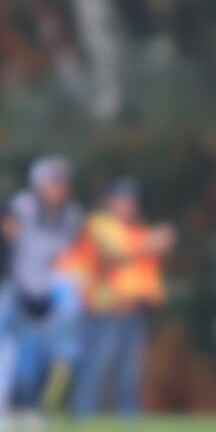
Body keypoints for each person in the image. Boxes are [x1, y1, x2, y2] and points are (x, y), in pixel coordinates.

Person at [58, 178, 173, 417]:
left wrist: (152, 243)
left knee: (129, 371)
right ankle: (83, 415)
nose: (127, 206)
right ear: (109, 202)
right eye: (121, 201)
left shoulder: (138, 230)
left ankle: (128, 418)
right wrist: (151, 242)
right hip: (103, 306)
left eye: (130, 202)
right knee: (96, 365)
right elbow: (114, 253)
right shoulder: (99, 224)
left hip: (134, 309)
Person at [0, 155, 83, 429]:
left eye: (60, 184)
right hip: (21, 291)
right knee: (22, 357)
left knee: (54, 354)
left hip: (51, 294)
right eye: (50, 183)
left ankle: (38, 407)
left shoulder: (71, 215)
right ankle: (15, 405)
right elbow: (5, 244)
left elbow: (68, 255)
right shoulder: (21, 208)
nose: (56, 190)